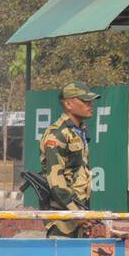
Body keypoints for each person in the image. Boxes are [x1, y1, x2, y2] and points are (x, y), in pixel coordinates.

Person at [39, 82, 98, 237]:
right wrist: (75, 212)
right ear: (68, 104)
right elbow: (56, 181)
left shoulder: (78, 131)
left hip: (79, 213)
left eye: (90, 101)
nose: (90, 105)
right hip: (63, 218)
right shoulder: (57, 134)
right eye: (84, 101)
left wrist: (82, 213)